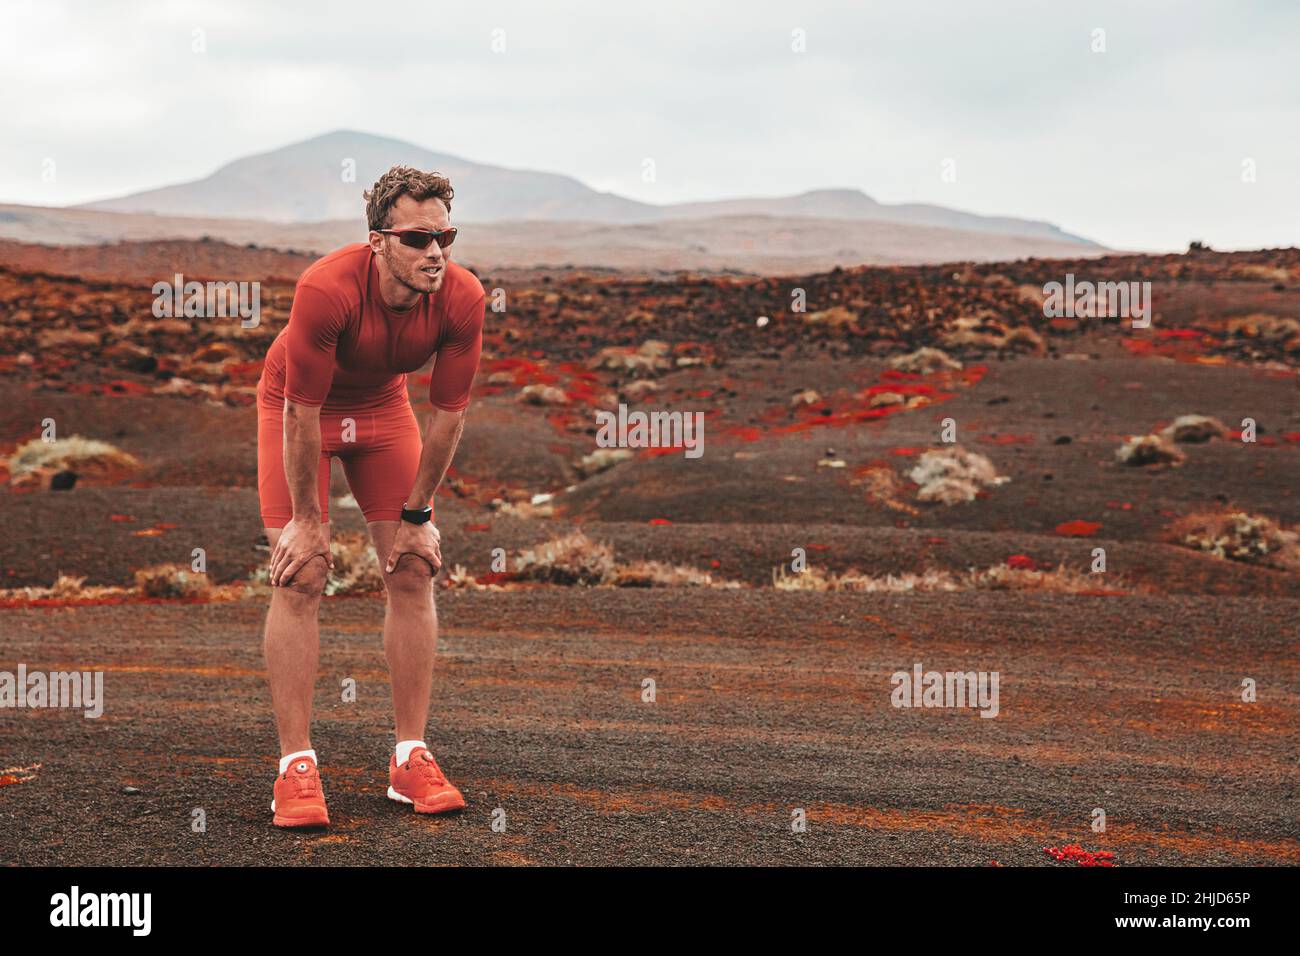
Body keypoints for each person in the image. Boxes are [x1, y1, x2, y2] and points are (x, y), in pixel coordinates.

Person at [255, 165, 485, 827]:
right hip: (301, 409)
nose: (435, 253)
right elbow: (301, 411)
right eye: (417, 239)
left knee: (414, 568)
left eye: (446, 237)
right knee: (303, 574)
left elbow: (448, 415)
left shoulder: (463, 297)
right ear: (377, 241)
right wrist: (306, 519)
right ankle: (295, 768)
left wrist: (417, 517)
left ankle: (411, 758)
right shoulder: (326, 288)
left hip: (384, 410)